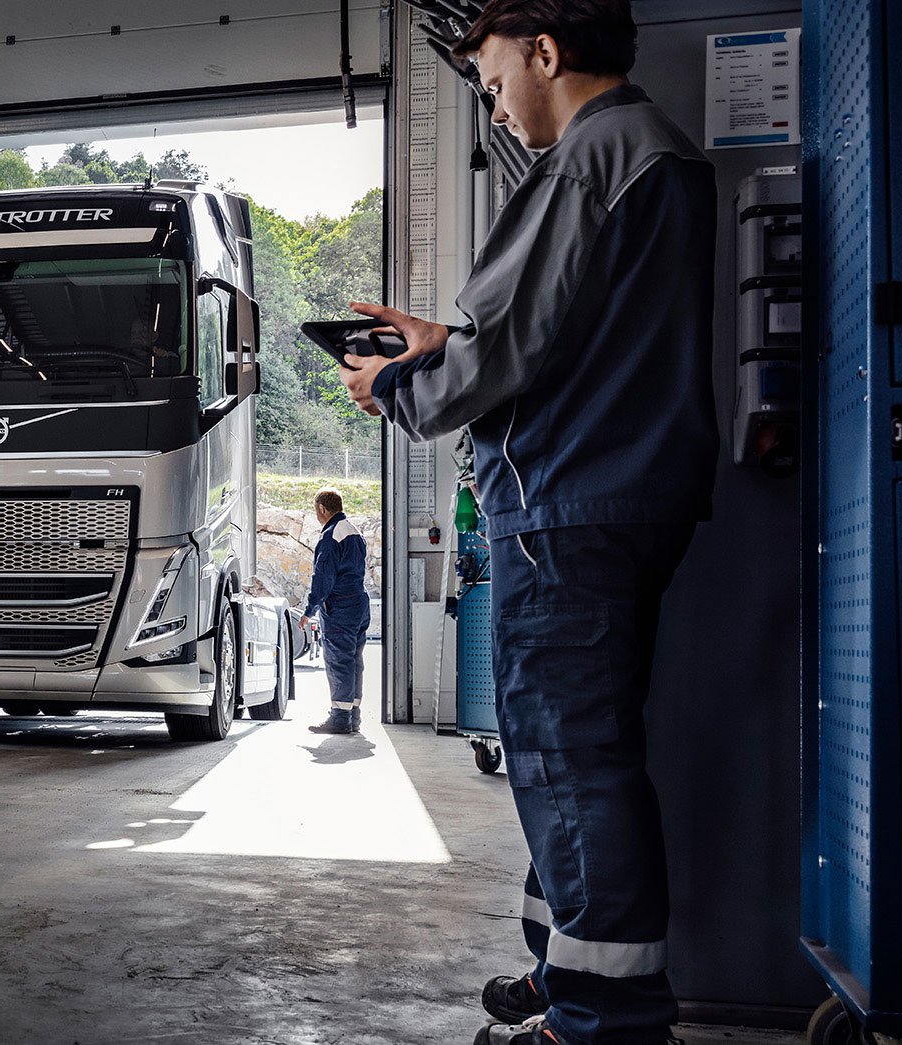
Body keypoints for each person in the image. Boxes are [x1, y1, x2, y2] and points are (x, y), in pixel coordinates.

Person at [336, 2, 716, 1043]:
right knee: (568, 748)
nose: (495, 109)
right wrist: (439, 337)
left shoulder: (587, 159)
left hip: (568, 498)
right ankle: (566, 970)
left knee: (566, 754)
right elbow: (547, 326)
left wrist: (394, 382)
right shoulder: (650, 154)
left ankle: (604, 1015)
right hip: (621, 488)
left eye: (496, 80)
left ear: (544, 52)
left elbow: (500, 349)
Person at [302, 489, 369, 735]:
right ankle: (354, 716)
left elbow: (323, 578)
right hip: (359, 603)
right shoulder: (355, 531)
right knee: (354, 661)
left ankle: (340, 718)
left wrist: (309, 610)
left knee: (338, 661)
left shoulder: (330, 536)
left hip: (341, 607)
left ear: (321, 508)